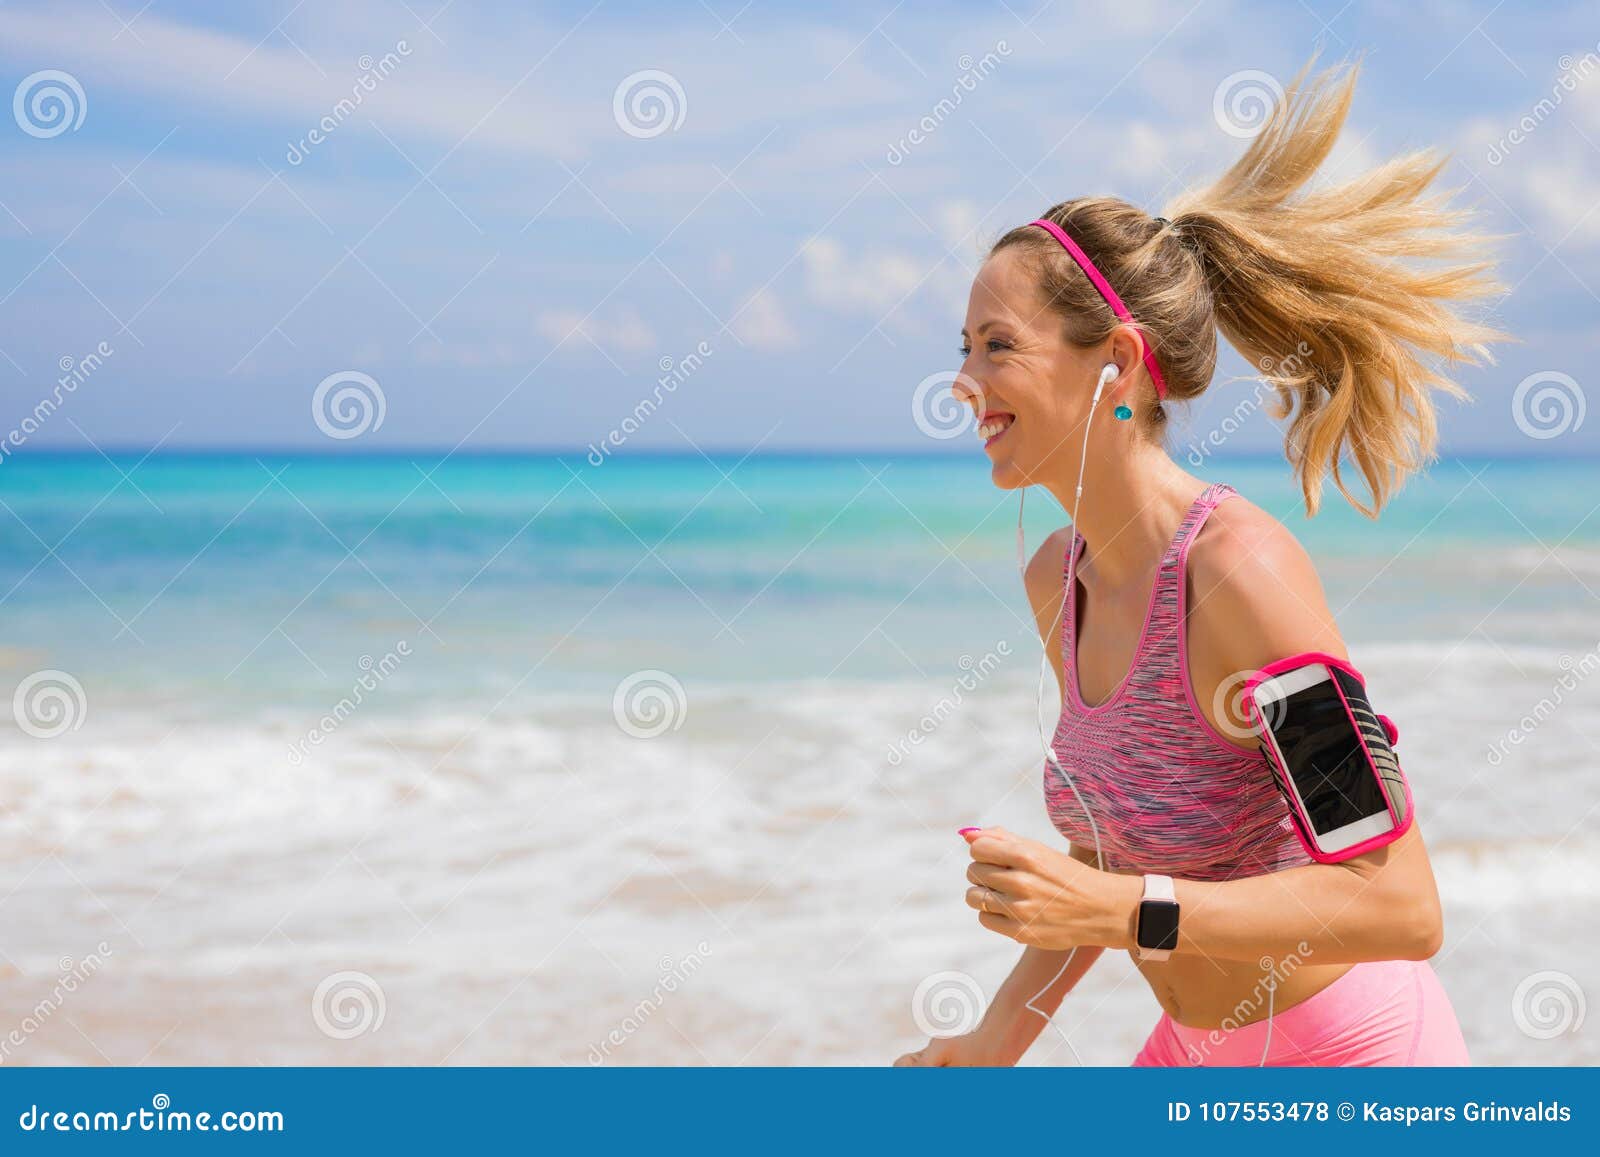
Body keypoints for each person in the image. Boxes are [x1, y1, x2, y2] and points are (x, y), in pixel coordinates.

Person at [895, 60, 1503, 1067]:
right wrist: (994, 1035)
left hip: (1349, 1057)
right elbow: (1113, 847)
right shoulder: (1060, 578)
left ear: (1118, 364)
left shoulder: (1239, 573)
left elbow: (1398, 899)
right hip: (1191, 1051)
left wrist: (1118, 904)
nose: (961, 382)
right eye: (962, 345)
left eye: (996, 345)